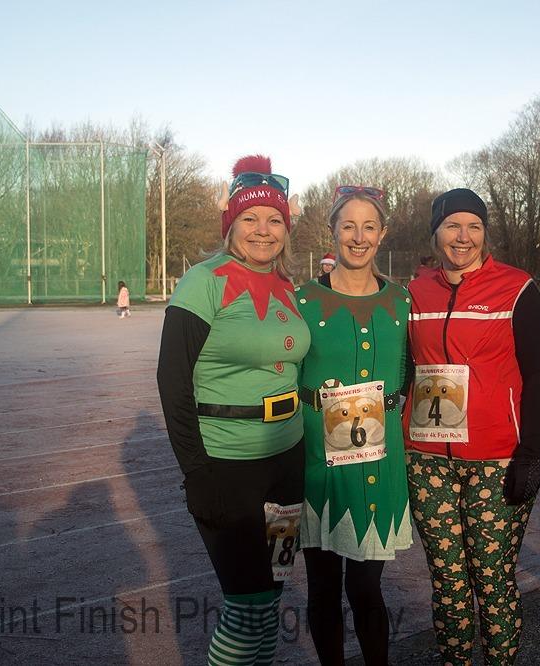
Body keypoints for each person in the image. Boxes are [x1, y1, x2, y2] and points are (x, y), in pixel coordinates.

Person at [156, 155, 310, 666]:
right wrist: (197, 472)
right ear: (231, 225)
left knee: (272, 597)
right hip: (228, 465)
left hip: (287, 463)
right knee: (245, 604)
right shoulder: (204, 281)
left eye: (275, 219)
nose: (263, 230)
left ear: (287, 228)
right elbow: (171, 381)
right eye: (250, 219)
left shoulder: (291, 287)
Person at [404, 188, 540, 664]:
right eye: (452, 226)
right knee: (448, 585)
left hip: (495, 462)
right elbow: (398, 366)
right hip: (427, 462)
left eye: (473, 226)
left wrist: (530, 452)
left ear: (486, 233)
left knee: (492, 582)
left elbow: (539, 376)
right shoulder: (413, 291)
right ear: (436, 234)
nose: (462, 236)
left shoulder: (517, 289)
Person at [296, 184, 412, 666]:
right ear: (333, 232)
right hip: (316, 463)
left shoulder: (403, 302)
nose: (358, 237)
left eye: (369, 226)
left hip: (380, 462)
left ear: (382, 233)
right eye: (349, 226)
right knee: (322, 587)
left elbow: (416, 371)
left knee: (365, 585)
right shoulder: (300, 300)